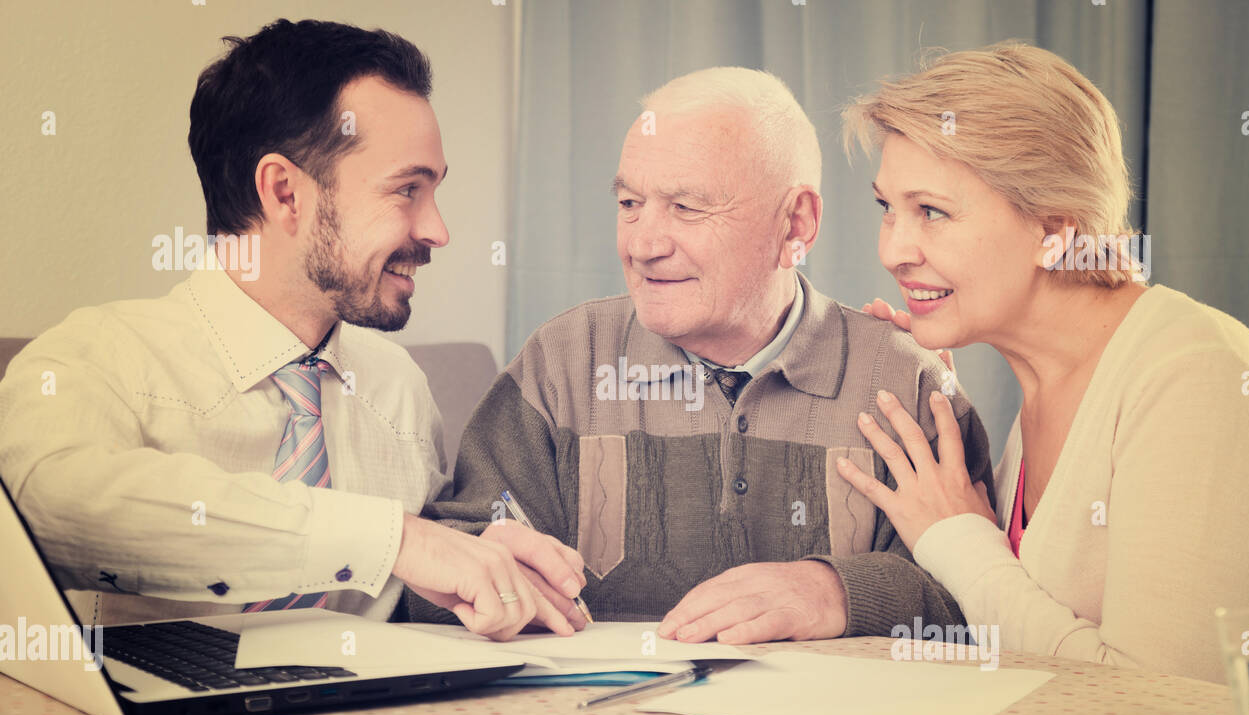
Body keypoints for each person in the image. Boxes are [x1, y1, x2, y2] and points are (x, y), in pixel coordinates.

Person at [0, 19, 582, 641]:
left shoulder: (398, 389)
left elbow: (425, 576)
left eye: (434, 191)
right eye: (407, 190)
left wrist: (479, 555)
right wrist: (390, 538)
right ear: (284, 193)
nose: (438, 230)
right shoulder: (93, 359)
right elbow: (47, 508)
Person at [407, 67, 997, 644]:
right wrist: (480, 573)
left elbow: (978, 600)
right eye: (630, 203)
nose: (642, 244)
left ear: (796, 222)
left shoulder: (908, 381)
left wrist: (835, 591)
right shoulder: (559, 363)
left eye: (686, 208)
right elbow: (434, 584)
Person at [837, 41, 1249, 682]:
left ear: (1055, 232)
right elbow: (1028, 617)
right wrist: (936, 401)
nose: (894, 250)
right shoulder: (1044, 381)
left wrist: (956, 540)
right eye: (888, 208)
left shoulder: (1198, 378)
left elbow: (1158, 704)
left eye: (932, 212)